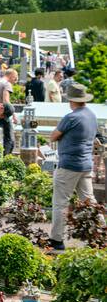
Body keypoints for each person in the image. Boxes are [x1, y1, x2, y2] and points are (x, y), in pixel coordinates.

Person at [45, 83, 98, 252]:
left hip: (68, 165)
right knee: (89, 202)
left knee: (60, 203)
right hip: (86, 164)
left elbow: (53, 136)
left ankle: (56, 240)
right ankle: (101, 232)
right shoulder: (91, 115)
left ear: (71, 100)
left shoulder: (71, 117)